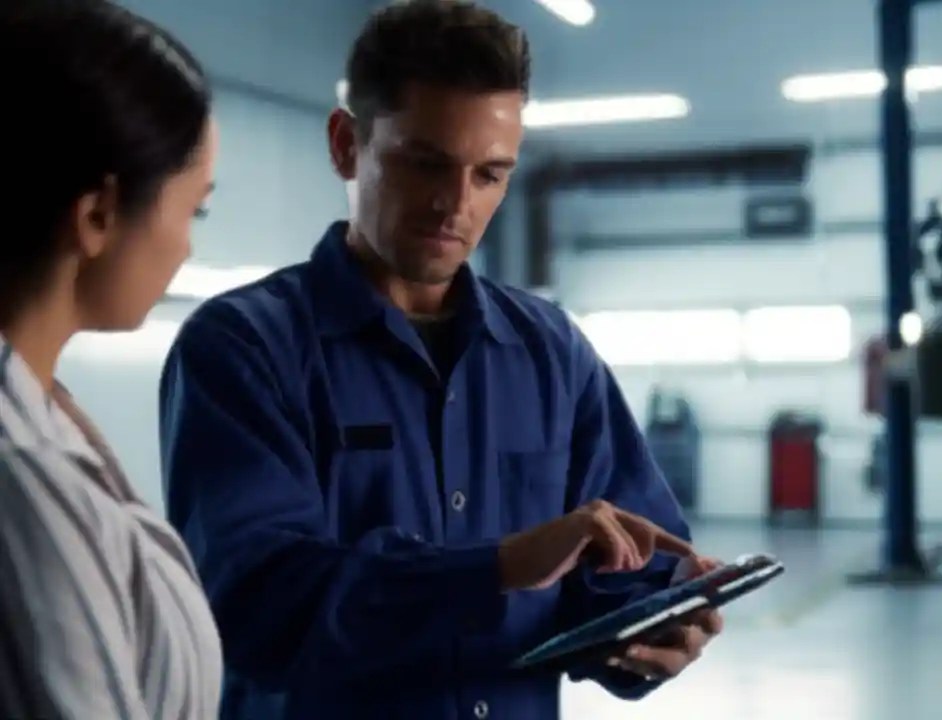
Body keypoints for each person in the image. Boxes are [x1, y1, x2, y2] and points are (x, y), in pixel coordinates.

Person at [158, 1, 722, 718]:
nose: (455, 204)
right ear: (344, 144)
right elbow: (256, 604)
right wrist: (496, 567)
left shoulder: (552, 352)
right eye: (425, 164)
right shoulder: (242, 348)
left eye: (490, 174)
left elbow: (614, 571)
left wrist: (653, 626)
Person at [0, 2, 222, 718]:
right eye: (195, 211)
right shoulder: (23, 473)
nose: (188, 247)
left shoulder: (46, 414)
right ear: (98, 214)